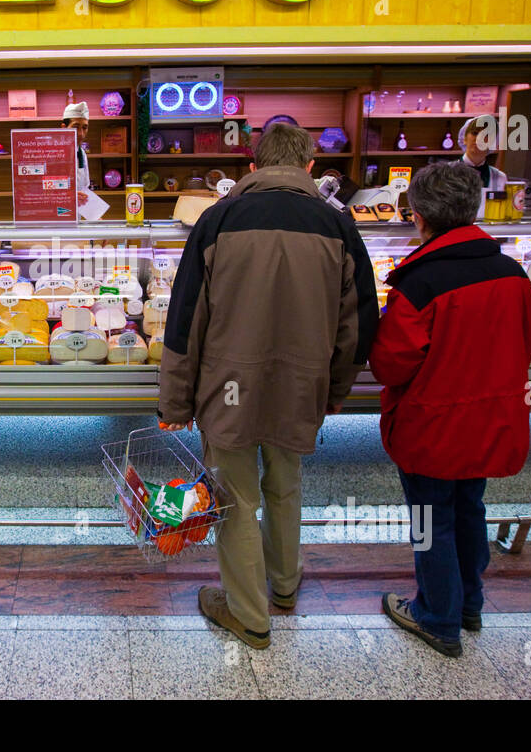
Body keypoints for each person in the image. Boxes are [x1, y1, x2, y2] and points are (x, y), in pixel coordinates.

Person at [157, 122, 379, 650]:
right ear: (308, 169)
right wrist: (337, 389)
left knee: (233, 497)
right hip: (301, 382)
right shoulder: (338, 224)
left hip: (229, 386)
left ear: (251, 168)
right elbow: (359, 323)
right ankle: (283, 586)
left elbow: (186, 319)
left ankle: (249, 615)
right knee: (285, 482)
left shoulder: (217, 219)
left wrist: (176, 401)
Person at [368, 163, 531, 657]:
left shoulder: (419, 283)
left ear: (418, 216)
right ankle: (469, 604)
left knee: (431, 519)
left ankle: (437, 618)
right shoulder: (512, 272)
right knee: (470, 510)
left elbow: (390, 364)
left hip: (433, 427)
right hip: (490, 422)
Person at [62, 101, 108, 219]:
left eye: (85, 128)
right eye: (76, 127)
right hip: (53, 220)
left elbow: (84, 191)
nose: (81, 134)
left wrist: (97, 219)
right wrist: (69, 196)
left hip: (75, 221)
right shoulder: (51, 153)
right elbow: (41, 192)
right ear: (63, 127)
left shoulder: (81, 154)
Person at [454, 117, 507, 220]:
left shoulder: (500, 177)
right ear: (464, 139)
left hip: (488, 233)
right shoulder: (446, 173)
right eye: (474, 133)